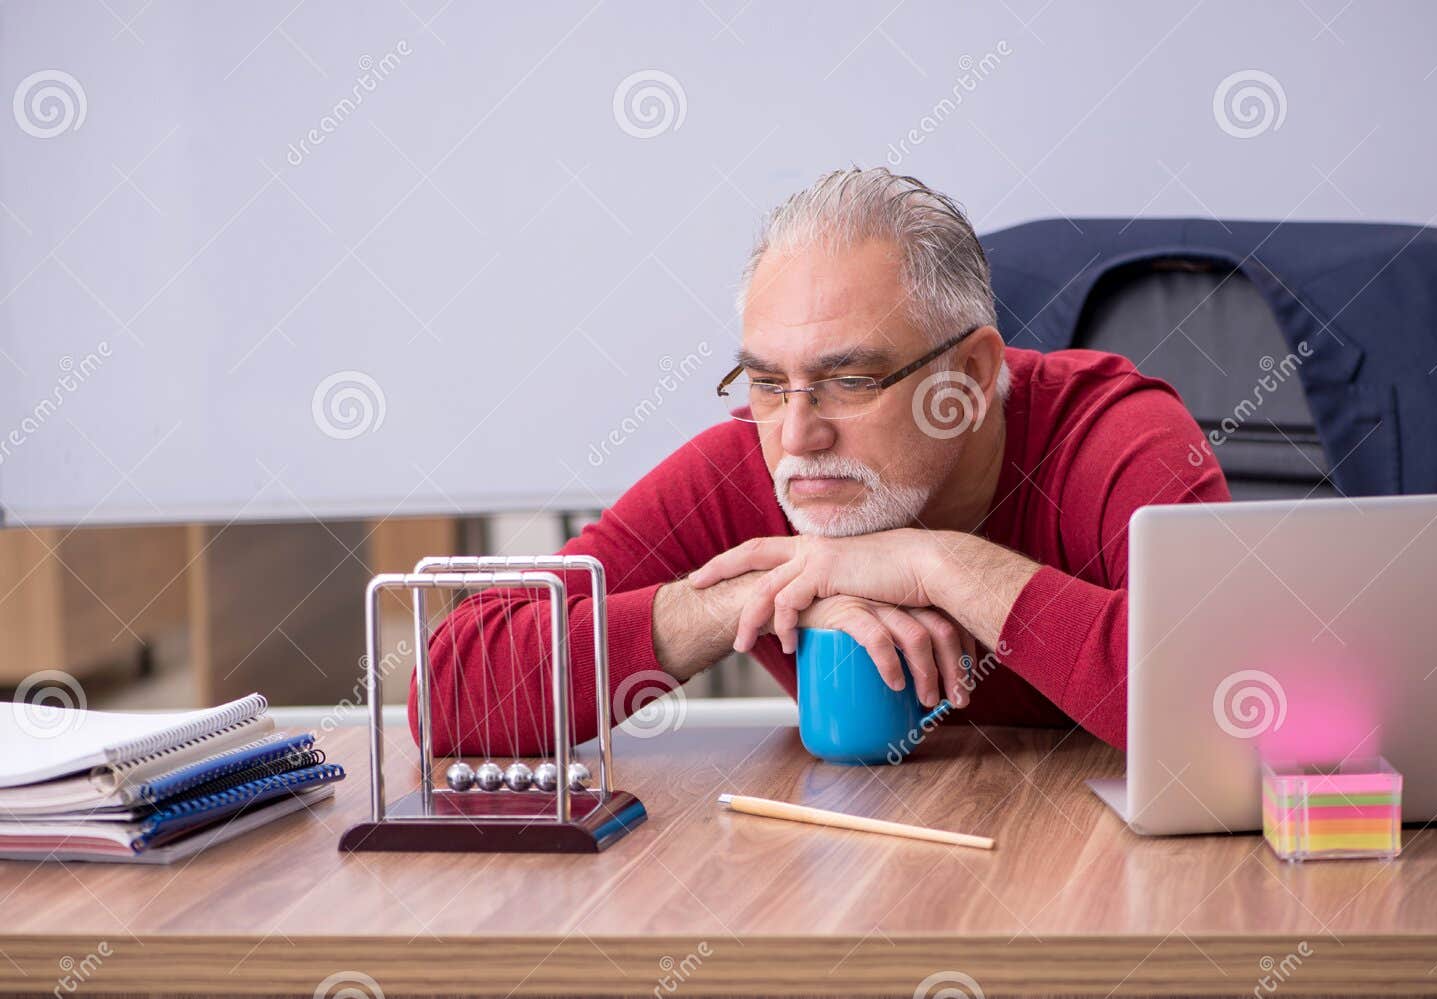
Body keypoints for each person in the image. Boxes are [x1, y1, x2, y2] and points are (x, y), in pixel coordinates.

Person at [411, 167, 1228, 756]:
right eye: (768, 382)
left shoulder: (1116, 436)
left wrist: (933, 563)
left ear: (971, 377)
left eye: (850, 381)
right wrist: (751, 599)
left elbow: (1225, 699)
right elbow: (445, 696)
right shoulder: (746, 466)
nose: (798, 436)